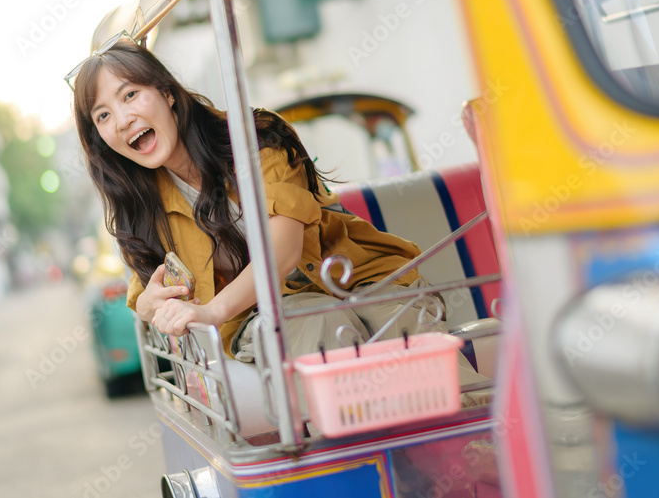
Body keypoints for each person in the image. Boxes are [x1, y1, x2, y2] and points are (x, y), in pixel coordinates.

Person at [70, 38, 485, 383]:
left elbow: (282, 250)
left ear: (166, 92)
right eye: (103, 115)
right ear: (100, 136)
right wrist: (150, 305)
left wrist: (211, 310)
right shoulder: (138, 204)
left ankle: (480, 453)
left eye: (130, 95)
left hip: (359, 278)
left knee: (403, 330)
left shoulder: (254, 138)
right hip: (269, 316)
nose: (122, 120)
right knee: (313, 331)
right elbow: (144, 293)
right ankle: (374, 463)